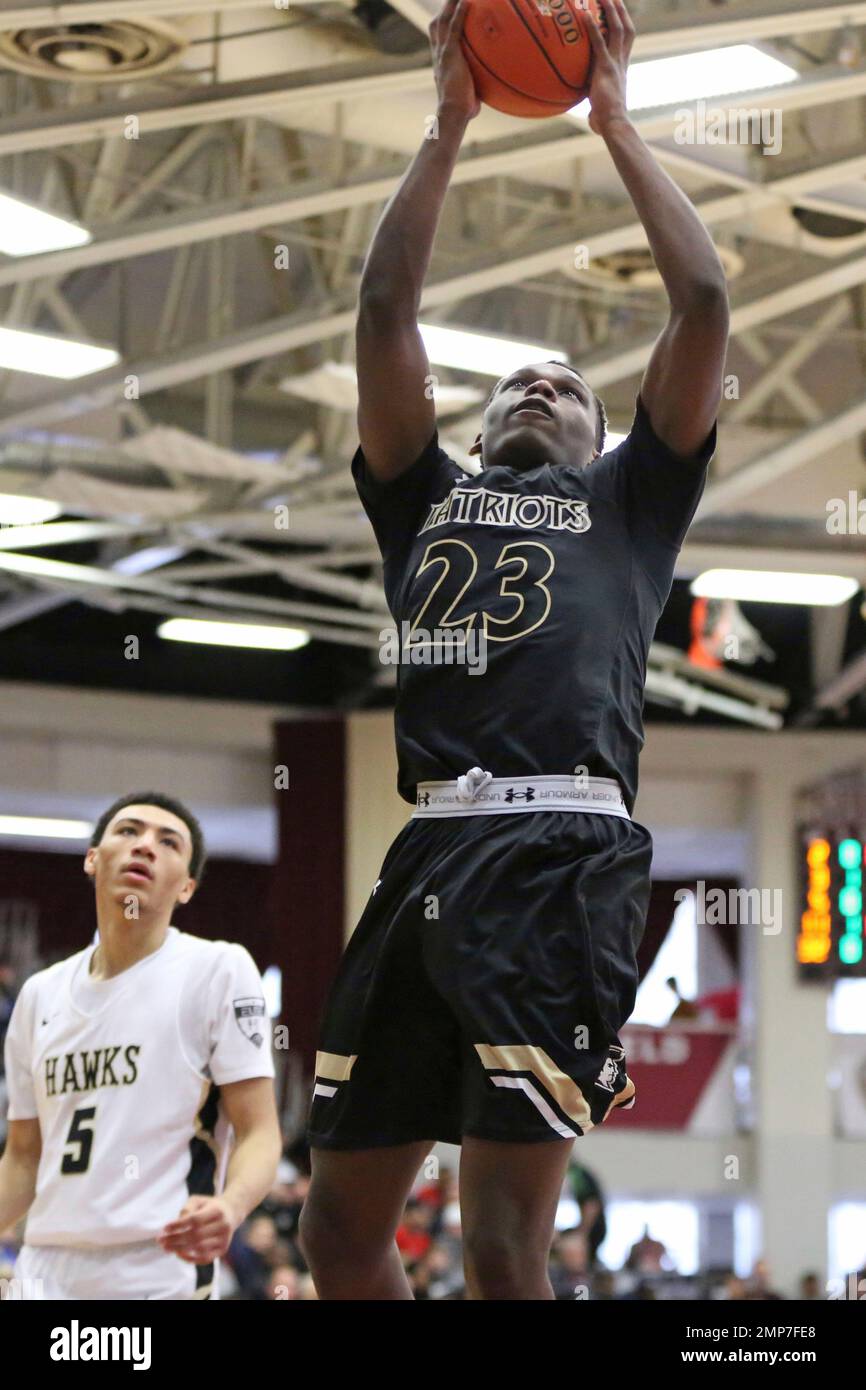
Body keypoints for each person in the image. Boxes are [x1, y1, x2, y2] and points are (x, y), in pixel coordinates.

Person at [300, 0, 729, 1300]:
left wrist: (614, 123)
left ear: (604, 436)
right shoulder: (418, 491)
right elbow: (384, 308)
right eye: (513, 386)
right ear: (475, 430)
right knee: (336, 1235)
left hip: (557, 850)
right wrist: (445, 123)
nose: (539, 385)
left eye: (569, 387)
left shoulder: (630, 502)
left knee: (499, 1243)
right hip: (427, 846)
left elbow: (703, 300)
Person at [0, 792, 282, 1300]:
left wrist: (231, 1206)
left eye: (168, 842)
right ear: (92, 858)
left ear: (187, 886)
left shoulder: (217, 969)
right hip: (46, 1265)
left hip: (158, 1264)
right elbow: (22, 1158)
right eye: (129, 831)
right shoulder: (40, 993)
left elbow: (259, 1131)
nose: (146, 845)